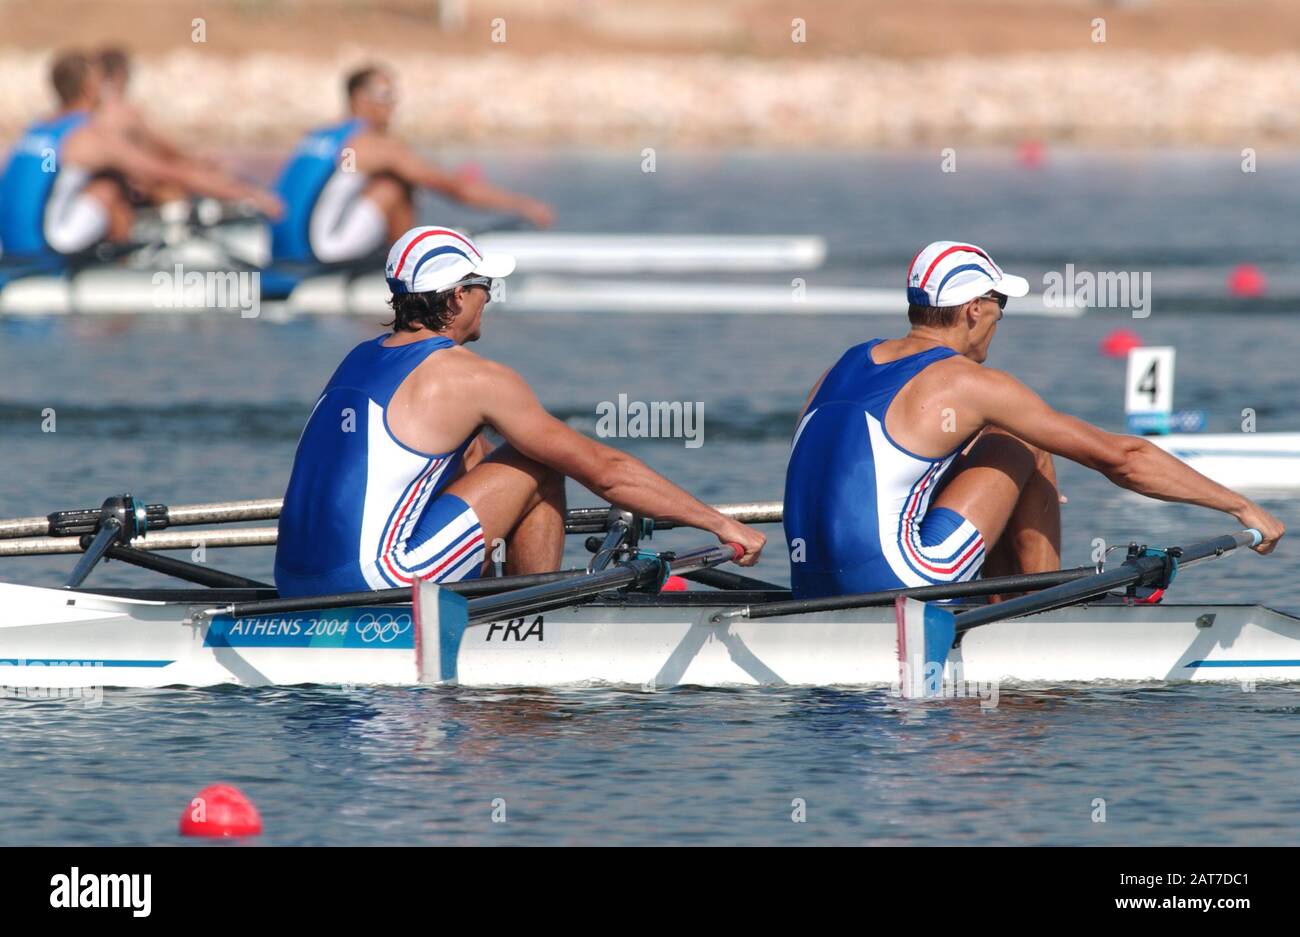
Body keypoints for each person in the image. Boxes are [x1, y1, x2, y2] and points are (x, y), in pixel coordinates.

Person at [274, 225, 764, 597]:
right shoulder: (471, 377)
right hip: (377, 585)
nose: (490, 296)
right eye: (485, 284)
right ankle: (531, 618)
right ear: (459, 295)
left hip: (293, 581)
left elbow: (468, 469)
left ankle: (487, 595)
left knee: (475, 453)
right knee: (540, 461)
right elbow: (607, 473)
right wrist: (719, 524)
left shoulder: (359, 356)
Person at [783, 240, 1284, 599]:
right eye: (1000, 305)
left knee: (973, 449)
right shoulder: (966, 383)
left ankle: (997, 601)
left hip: (809, 584)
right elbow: (1123, 459)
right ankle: (1042, 611)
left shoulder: (842, 364)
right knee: (1023, 441)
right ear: (974, 309)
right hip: (900, 582)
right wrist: (1240, 506)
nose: (1000, 318)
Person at [0, 50, 281, 260]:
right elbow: (170, 172)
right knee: (110, 188)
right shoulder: (90, 136)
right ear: (89, 88)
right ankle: (129, 263)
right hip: (47, 244)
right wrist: (251, 196)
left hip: (12, 241)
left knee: (109, 180)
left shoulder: (37, 128)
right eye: (100, 83)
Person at [269, 65, 554, 266]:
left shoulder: (319, 134)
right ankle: (405, 273)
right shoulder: (374, 145)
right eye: (387, 97)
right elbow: (453, 188)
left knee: (380, 181)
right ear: (360, 100)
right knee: (396, 185)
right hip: (319, 253)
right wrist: (521, 204)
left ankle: (387, 254)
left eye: (395, 97)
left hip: (280, 248)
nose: (394, 105)